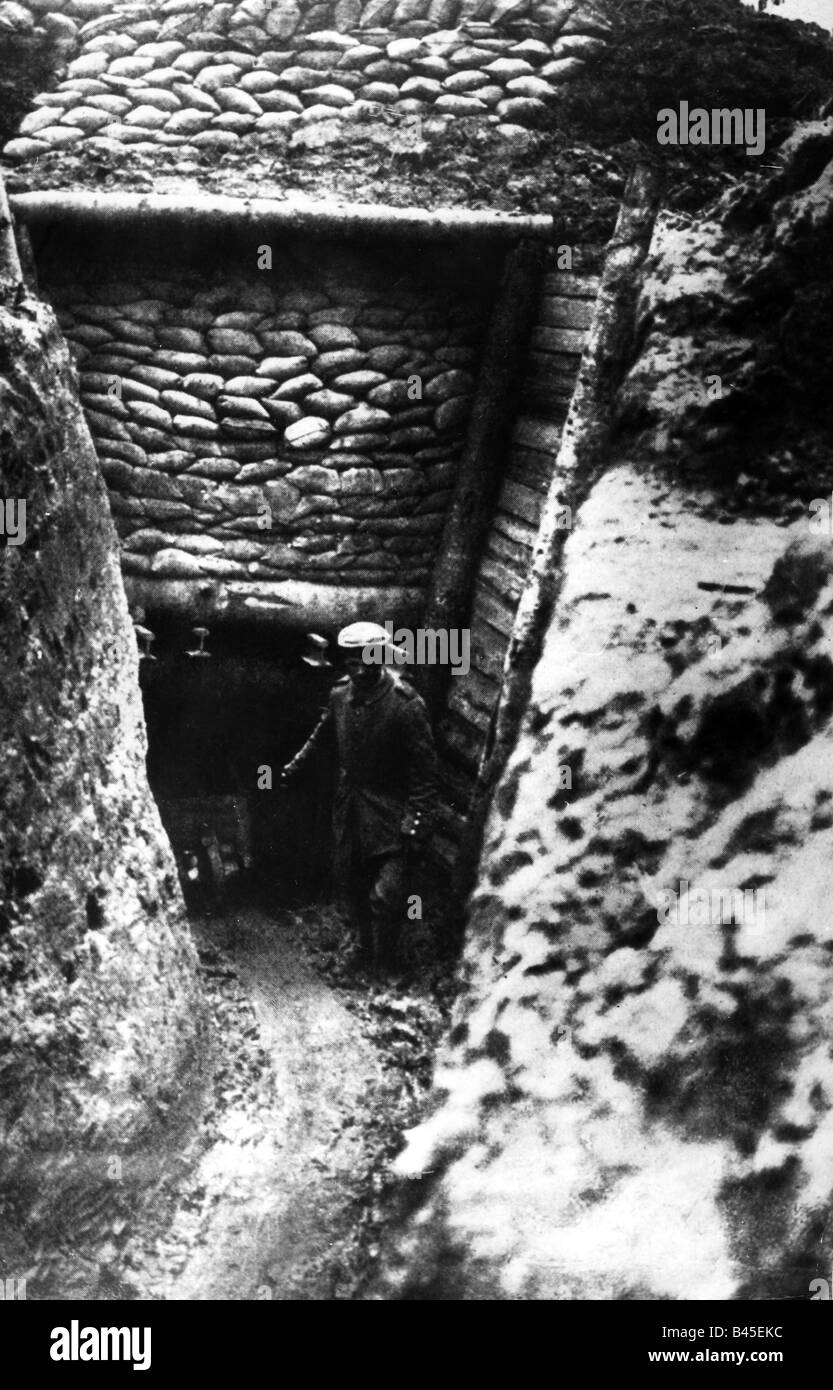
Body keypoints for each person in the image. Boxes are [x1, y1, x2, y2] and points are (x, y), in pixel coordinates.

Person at [282, 621, 439, 975]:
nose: (363, 669)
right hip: (351, 808)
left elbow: (425, 775)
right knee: (351, 888)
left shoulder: (407, 705)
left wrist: (416, 825)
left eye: (371, 660)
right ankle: (362, 950)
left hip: (391, 812)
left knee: (385, 896)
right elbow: (322, 734)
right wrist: (294, 767)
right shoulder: (340, 694)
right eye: (354, 662)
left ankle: (386, 962)